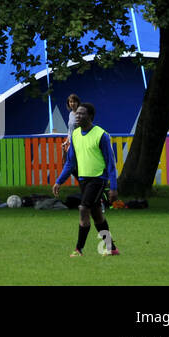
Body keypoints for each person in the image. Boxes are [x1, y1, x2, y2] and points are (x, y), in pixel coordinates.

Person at [52, 102, 121, 256]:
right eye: (77, 113)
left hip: (98, 178)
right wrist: (59, 181)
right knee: (96, 214)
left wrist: (114, 187)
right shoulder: (75, 135)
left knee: (83, 209)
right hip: (83, 179)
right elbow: (70, 162)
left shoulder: (101, 135)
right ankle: (111, 248)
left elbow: (111, 163)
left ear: (90, 117)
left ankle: (78, 249)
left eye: (82, 113)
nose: (78, 116)